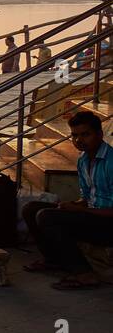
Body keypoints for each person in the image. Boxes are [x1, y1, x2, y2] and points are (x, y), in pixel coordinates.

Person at [21, 110, 113, 290]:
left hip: (109, 223)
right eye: (75, 135)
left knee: (47, 217)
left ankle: (84, 274)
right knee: (31, 209)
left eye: (85, 134)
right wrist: (73, 205)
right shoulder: (83, 160)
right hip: (93, 216)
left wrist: (82, 210)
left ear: (99, 134)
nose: (79, 140)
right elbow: (87, 197)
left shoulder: (111, 161)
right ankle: (53, 259)